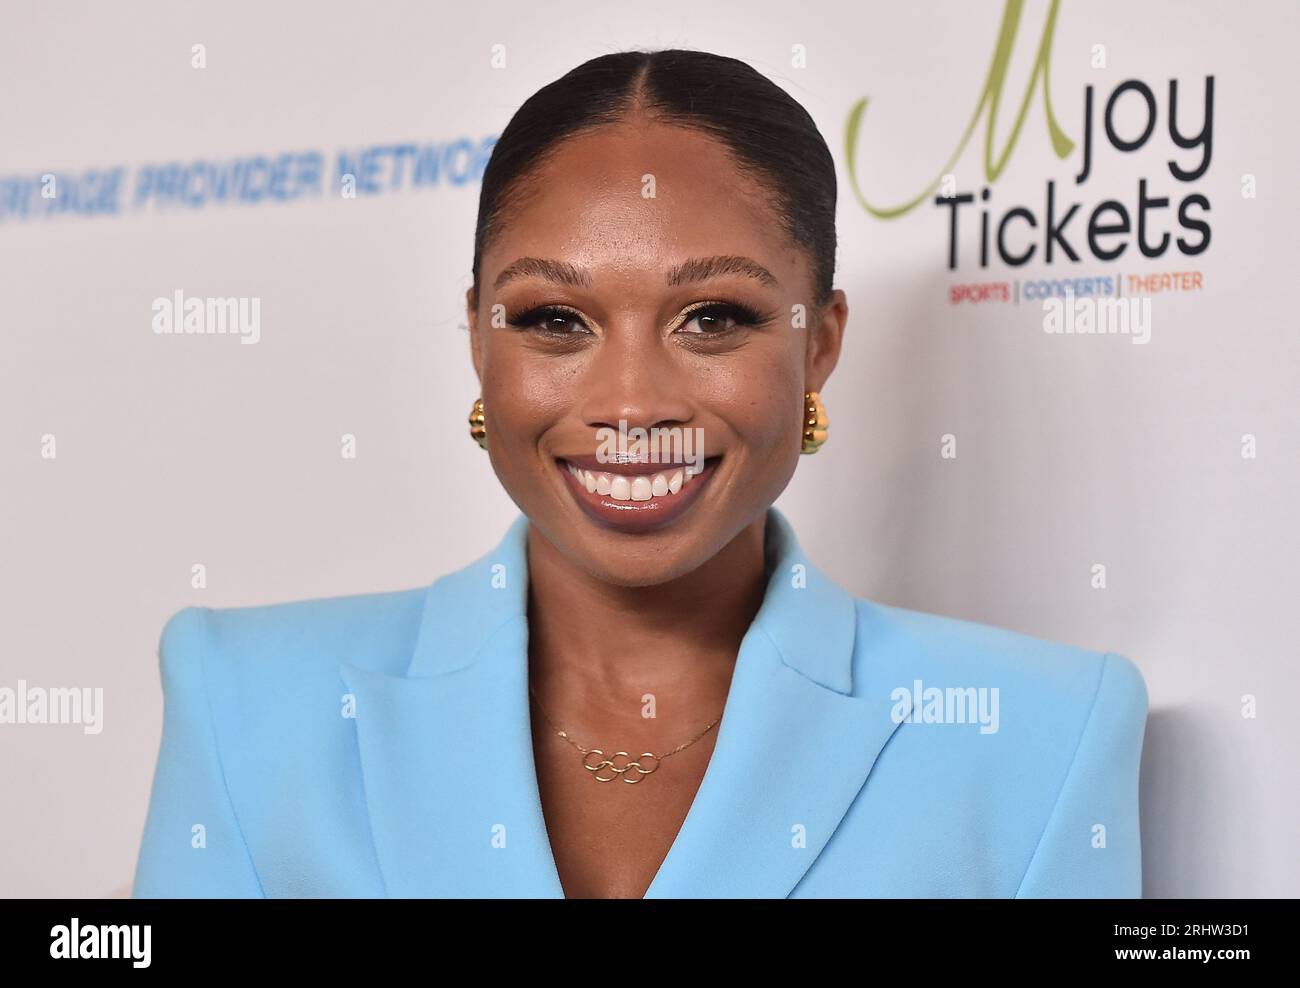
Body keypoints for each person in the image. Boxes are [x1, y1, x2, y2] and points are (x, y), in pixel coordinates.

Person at [132, 48, 1148, 899]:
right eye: (553, 320)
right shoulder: (247, 703)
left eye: (713, 318)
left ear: (820, 344)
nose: (629, 402)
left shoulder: (1040, 736)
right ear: (479, 337)